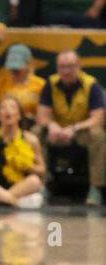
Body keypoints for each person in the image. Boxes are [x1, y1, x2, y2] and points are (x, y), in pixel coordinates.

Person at [36, 50, 106, 205]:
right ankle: (41, 184)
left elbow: (98, 118)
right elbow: (42, 116)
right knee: (36, 132)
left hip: (81, 132)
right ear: (57, 67)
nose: (66, 71)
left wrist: (74, 128)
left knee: (98, 135)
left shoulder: (91, 85)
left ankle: (95, 188)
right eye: (62, 67)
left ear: (79, 66)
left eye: (70, 66)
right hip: (57, 132)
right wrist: (52, 125)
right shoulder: (50, 84)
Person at [0, 43, 44, 122]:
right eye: (12, 67)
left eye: (18, 67)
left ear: (28, 64)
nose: (14, 70)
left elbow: (45, 114)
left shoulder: (41, 85)